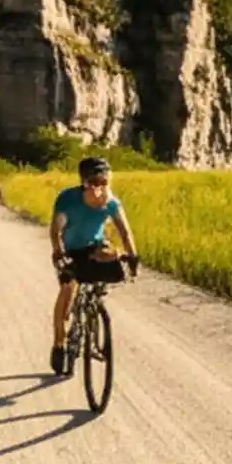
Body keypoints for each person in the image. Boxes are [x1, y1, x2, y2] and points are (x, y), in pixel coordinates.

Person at [48, 156, 138, 374]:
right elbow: (55, 230)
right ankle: (59, 344)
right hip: (71, 250)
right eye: (93, 182)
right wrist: (60, 254)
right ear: (84, 182)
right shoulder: (68, 199)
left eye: (103, 182)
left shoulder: (112, 203)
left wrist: (133, 257)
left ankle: (94, 309)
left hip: (95, 247)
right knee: (68, 289)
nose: (98, 188)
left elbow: (124, 232)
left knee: (112, 257)